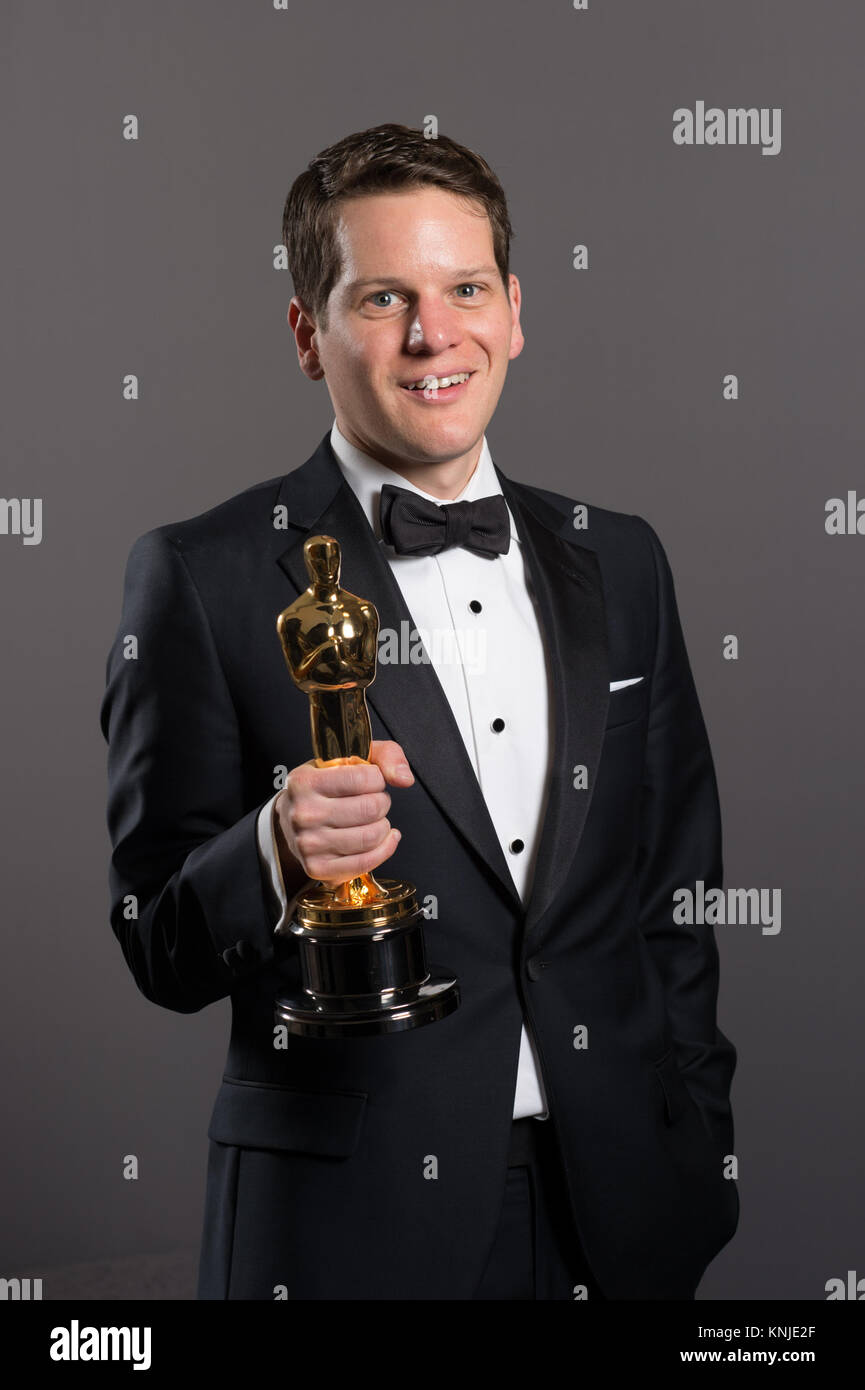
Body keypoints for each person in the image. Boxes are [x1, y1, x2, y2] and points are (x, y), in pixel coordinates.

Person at [100, 122, 739, 1300]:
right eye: (383, 296)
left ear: (513, 309)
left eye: (464, 288)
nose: (433, 334)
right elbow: (156, 935)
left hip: (624, 1209)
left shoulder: (625, 560)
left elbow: (672, 889)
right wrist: (276, 853)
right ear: (308, 333)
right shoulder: (201, 574)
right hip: (349, 1233)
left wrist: (691, 1130)